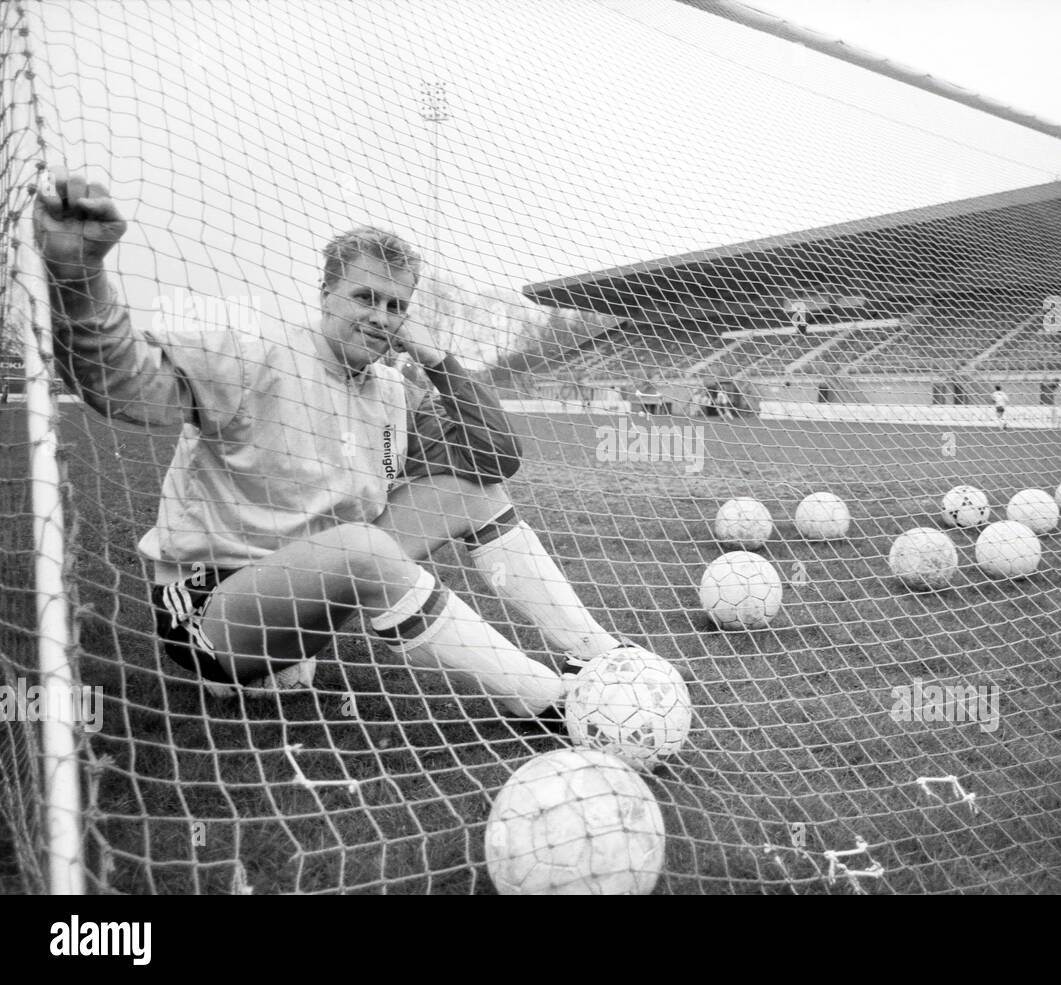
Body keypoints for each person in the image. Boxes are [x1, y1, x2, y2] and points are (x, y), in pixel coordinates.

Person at [35, 167, 624, 724]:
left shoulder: (394, 389)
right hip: (213, 611)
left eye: (396, 306)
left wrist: (439, 360)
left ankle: (601, 656)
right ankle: (549, 700)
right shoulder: (254, 356)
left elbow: (497, 459)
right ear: (325, 294)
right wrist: (78, 275)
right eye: (365, 297)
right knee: (361, 547)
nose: (382, 317)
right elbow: (121, 386)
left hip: (316, 590)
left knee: (475, 490)